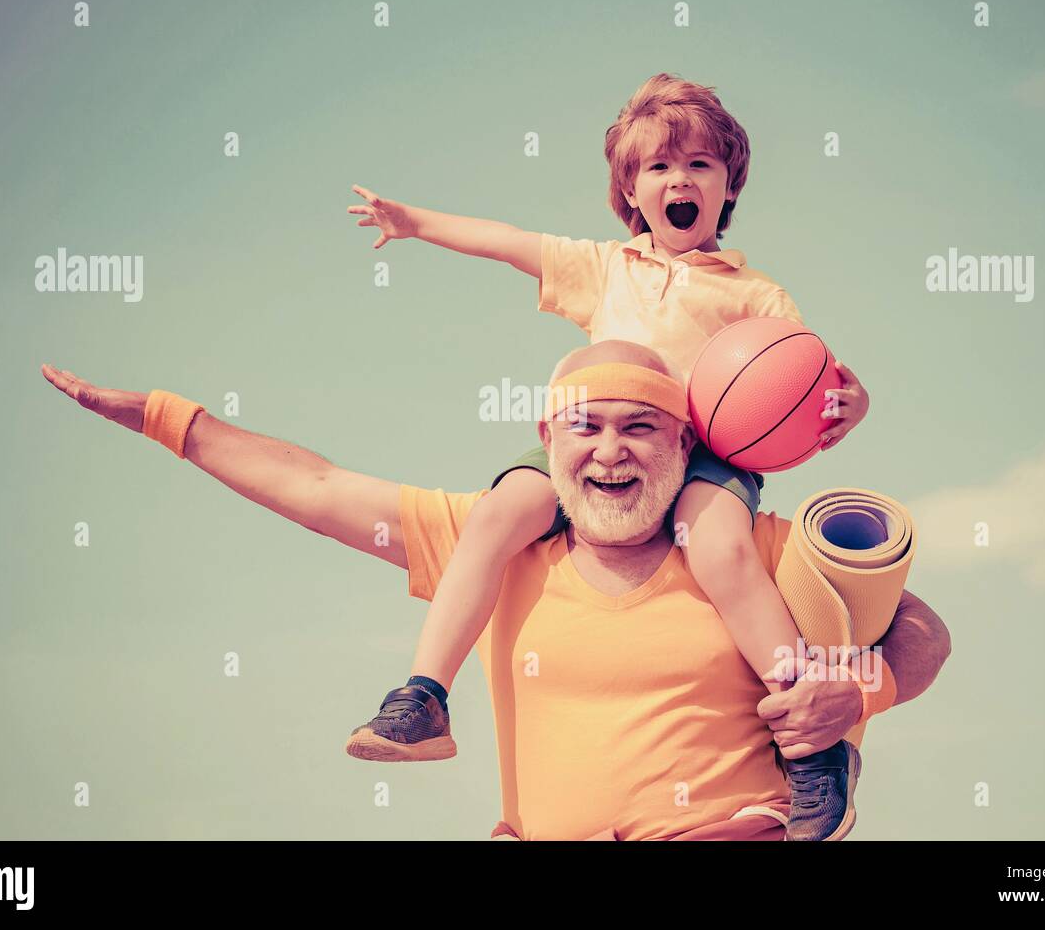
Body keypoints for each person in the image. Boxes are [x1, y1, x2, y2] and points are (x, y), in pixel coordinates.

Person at [39, 342, 951, 841]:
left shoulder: (745, 544)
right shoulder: (498, 540)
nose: (612, 449)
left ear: (686, 452)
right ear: (548, 450)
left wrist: (856, 690)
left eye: (642, 428)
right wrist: (165, 418)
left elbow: (920, 630)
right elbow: (315, 489)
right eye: (587, 427)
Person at [345, 73, 870, 838]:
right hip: (599, 443)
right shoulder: (606, 267)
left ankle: (812, 743)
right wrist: (413, 221)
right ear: (631, 190)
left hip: (705, 455)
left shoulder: (757, 295)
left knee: (720, 546)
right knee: (495, 516)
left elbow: (809, 382)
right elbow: (506, 241)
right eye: (657, 167)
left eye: (698, 164)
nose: (679, 179)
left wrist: (854, 406)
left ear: (729, 185)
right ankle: (424, 693)